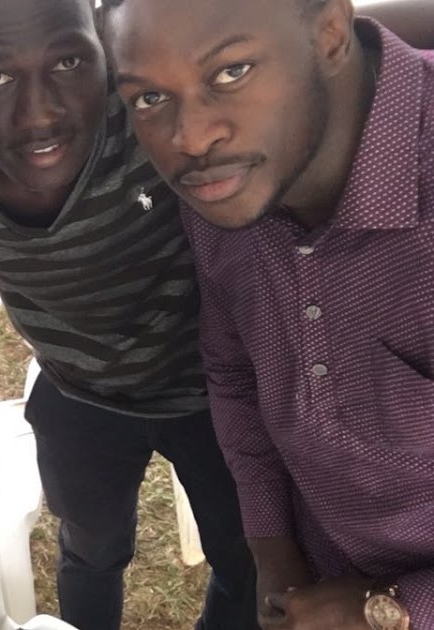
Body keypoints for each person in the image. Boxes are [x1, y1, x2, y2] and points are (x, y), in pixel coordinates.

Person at [101, 0, 434, 628]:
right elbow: (235, 373)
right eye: (148, 98)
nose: (189, 140)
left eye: (231, 72)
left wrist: (391, 609)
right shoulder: (229, 186)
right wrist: (272, 550)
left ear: (331, 33)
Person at [0, 1, 259, 627]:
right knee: (90, 548)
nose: (39, 112)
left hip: (211, 394)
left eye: (70, 61)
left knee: (242, 554)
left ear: (106, 45)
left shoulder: (154, 116)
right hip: (78, 394)